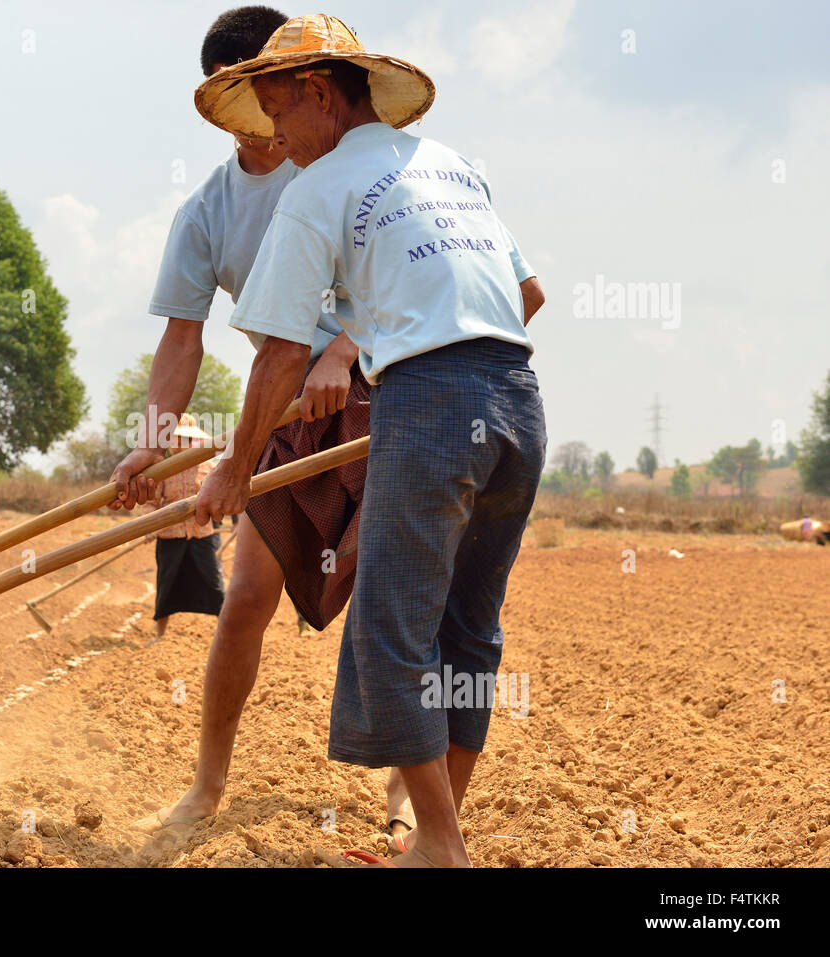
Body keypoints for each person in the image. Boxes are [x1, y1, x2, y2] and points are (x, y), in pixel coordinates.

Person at [192, 14, 548, 867]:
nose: (275, 136)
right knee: (468, 632)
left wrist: (235, 472)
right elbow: (528, 295)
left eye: (278, 111)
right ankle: (433, 837)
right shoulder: (450, 164)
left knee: (388, 634)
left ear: (319, 94)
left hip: (432, 409)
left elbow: (280, 352)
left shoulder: (316, 190)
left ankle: (442, 852)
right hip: (520, 405)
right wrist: (401, 342)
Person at [110, 5, 379, 834]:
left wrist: (343, 349)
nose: (276, 116)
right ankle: (206, 788)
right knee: (246, 597)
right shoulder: (206, 213)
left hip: (376, 395)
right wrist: (154, 445)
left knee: (394, 596)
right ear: (235, 100)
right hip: (281, 408)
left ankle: (410, 801)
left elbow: (400, 277)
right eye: (259, 97)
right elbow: (180, 340)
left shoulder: (342, 171)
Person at [139, 414, 225, 641]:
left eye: (185, 438)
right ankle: (159, 635)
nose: (180, 443)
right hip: (170, 535)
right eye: (175, 438)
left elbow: (219, 496)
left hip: (201, 533)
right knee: (166, 584)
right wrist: (150, 526)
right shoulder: (160, 470)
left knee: (214, 582)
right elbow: (150, 504)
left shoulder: (208, 466)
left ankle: (226, 634)